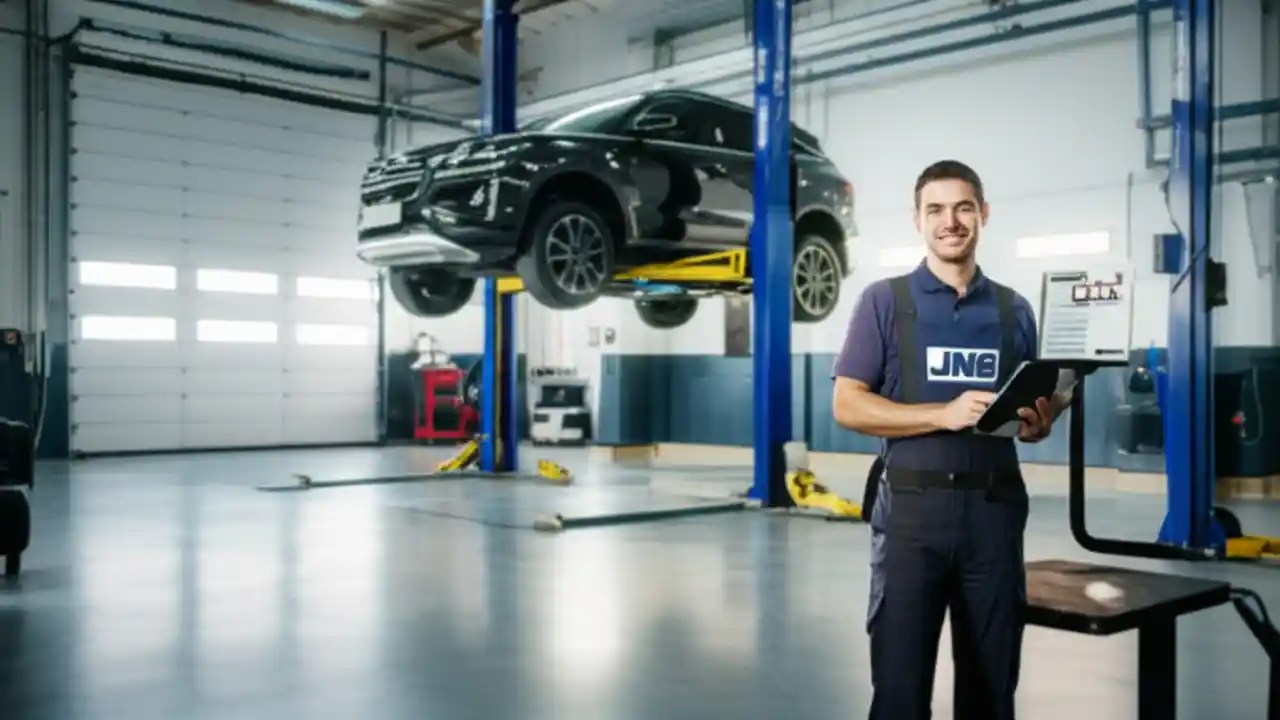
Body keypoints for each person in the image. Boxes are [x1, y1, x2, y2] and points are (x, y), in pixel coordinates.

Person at [831, 160, 1070, 719]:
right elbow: (847, 404)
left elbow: (1038, 401)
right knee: (901, 692)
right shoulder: (884, 302)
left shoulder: (1014, 310)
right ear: (918, 220)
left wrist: (1042, 418)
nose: (951, 221)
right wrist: (943, 415)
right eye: (935, 209)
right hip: (912, 518)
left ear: (983, 214)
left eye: (963, 207)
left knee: (991, 692)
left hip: (994, 515)